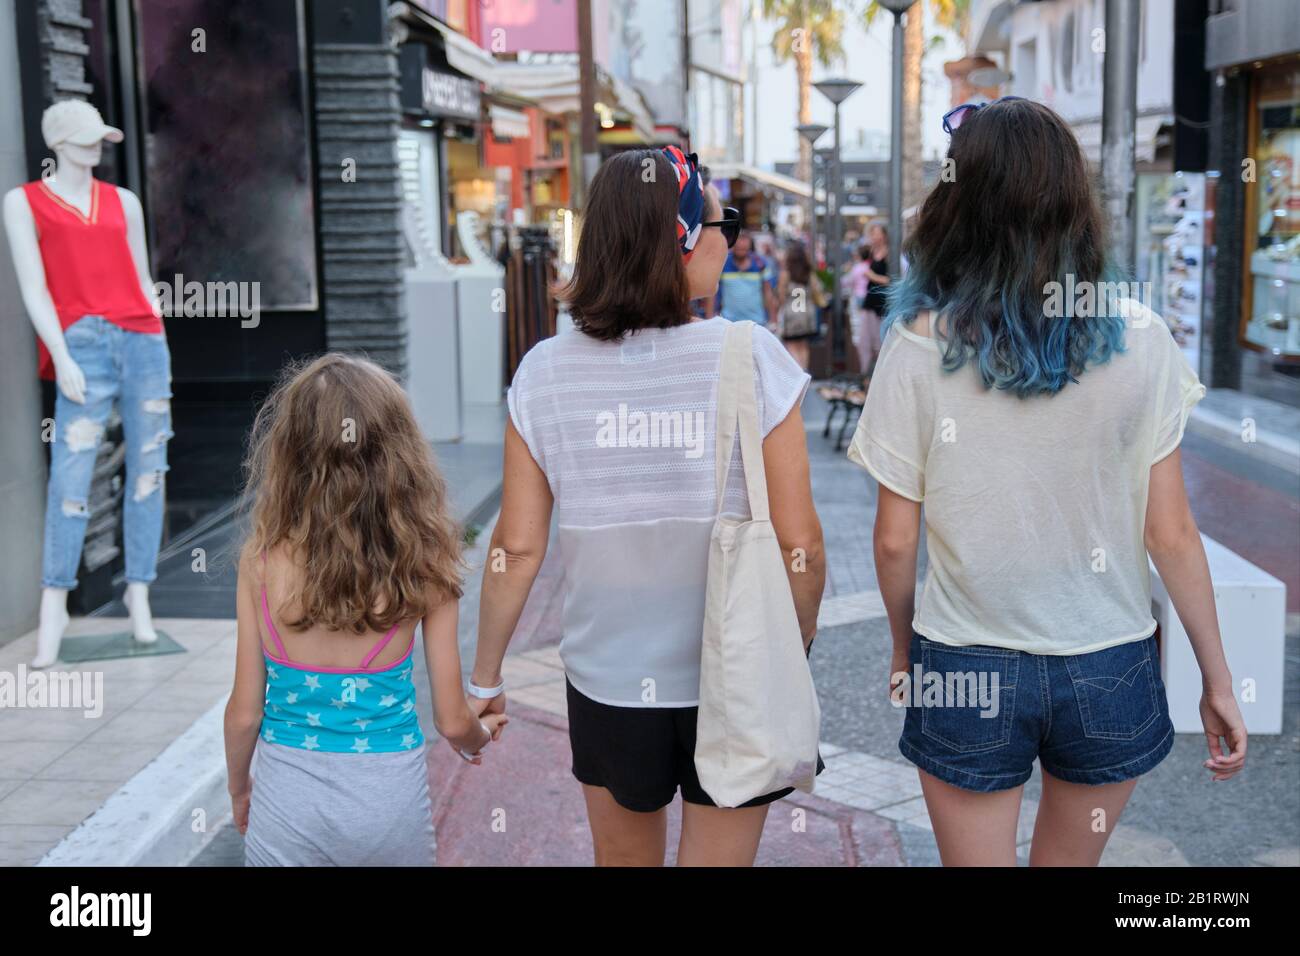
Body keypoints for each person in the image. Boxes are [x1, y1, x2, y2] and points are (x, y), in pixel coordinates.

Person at [852, 98, 1246, 866]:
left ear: (957, 204)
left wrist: (905, 652)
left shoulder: (916, 346)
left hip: (966, 662)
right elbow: (1170, 533)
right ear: (1075, 202)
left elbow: (896, 540)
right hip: (1109, 663)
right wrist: (1218, 676)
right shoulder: (1142, 338)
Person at [469, 146, 825, 866]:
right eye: (723, 222)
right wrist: (795, 646)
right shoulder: (749, 356)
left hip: (607, 680)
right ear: (685, 236)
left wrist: (484, 676)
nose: (731, 238)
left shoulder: (543, 374)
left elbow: (518, 548)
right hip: (734, 678)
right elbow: (803, 548)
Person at [224, 354, 507, 866]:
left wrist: (240, 789)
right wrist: (479, 734)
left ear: (291, 452)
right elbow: (449, 719)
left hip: (286, 806)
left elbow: (245, 712)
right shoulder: (424, 560)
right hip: (387, 804)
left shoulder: (261, 562)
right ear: (400, 453)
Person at [774, 241, 827, 371]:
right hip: (806, 314)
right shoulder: (809, 274)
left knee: (791, 345)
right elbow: (817, 290)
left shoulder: (785, 274)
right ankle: (804, 372)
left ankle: (797, 375)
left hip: (791, 314)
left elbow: (781, 297)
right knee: (803, 346)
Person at [709, 229, 776, 325]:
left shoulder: (761, 263)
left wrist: (773, 320)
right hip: (729, 323)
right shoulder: (723, 262)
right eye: (738, 241)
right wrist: (709, 319)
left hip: (757, 323)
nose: (741, 245)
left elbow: (768, 293)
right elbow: (712, 293)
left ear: (750, 244)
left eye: (744, 241)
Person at [857, 223, 891, 375]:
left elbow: (893, 279)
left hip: (882, 304)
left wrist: (872, 276)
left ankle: (879, 375)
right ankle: (865, 374)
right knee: (864, 341)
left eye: (876, 233)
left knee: (879, 343)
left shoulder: (890, 253)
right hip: (869, 301)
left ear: (884, 235)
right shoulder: (871, 252)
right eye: (872, 234)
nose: (873, 237)